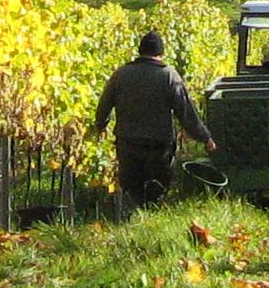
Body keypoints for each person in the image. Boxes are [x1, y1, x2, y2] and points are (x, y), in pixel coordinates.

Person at [91, 31, 218, 209]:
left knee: (132, 190)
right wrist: (205, 138)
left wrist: (100, 125)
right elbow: (186, 113)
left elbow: (104, 105)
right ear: (161, 53)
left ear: (140, 51)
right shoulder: (169, 76)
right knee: (156, 191)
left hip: (128, 142)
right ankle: (150, 218)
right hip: (158, 146)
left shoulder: (120, 74)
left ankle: (132, 219)